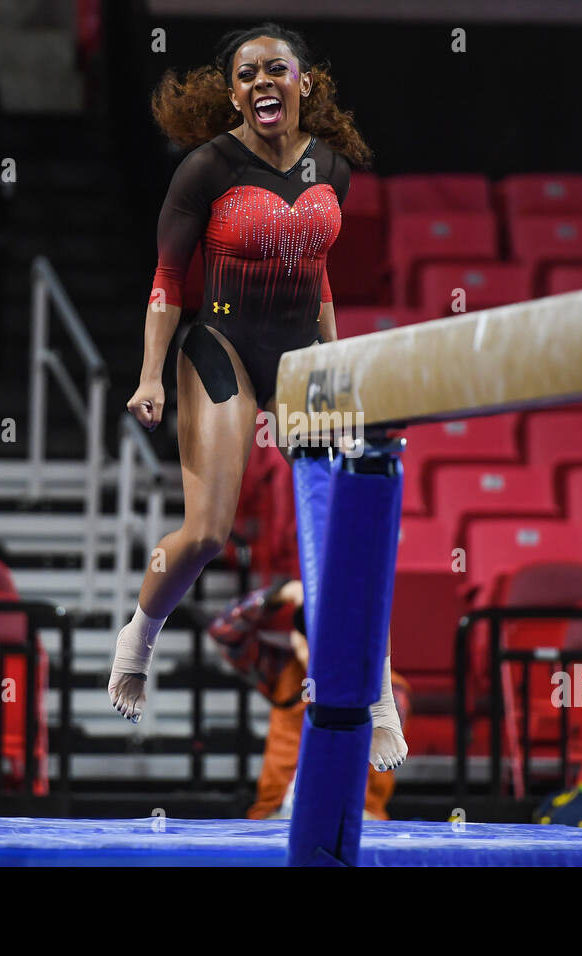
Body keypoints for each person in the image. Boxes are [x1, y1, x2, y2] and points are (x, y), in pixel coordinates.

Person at [111, 22, 407, 771]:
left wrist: (337, 358)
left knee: (353, 534)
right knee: (208, 533)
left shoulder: (332, 169)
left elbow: (321, 271)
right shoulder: (205, 170)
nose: (262, 83)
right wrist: (149, 374)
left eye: (277, 70)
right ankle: (139, 632)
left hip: (305, 355)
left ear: (305, 82)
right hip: (223, 349)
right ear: (233, 91)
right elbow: (167, 281)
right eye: (246, 75)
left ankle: (374, 692)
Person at [207, 578, 410, 819]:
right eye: (306, 633)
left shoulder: (391, 687)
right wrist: (281, 592)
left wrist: (338, 672)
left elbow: (374, 734)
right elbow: (223, 632)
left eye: (324, 638)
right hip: (276, 818)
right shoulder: (282, 669)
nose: (313, 645)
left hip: (357, 817)